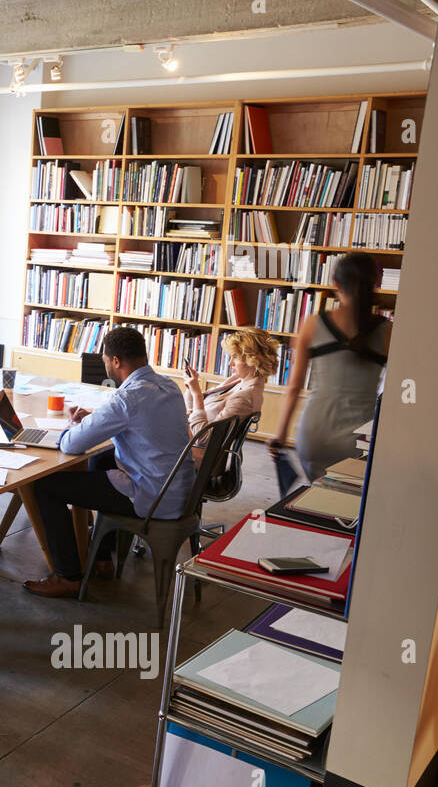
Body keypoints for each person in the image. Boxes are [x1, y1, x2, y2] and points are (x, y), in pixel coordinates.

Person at [23, 327, 193, 598]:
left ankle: (67, 576)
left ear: (116, 361)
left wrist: (73, 425)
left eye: (105, 361)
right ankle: (101, 558)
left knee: (44, 485)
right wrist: (98, 418)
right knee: (102, 459)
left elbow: (70, 445)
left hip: (152, 498)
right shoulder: (168, 386)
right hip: (180, 490)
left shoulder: (127, 399)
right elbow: (139, 421)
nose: (105, 366)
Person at [268, 252, 392, 488]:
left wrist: (280, 434)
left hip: (314, 435)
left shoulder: (313, 324)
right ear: (374, 284)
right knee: (344, 509)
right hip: (357, 441)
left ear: (335, 284)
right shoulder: (387, 331)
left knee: (317, 497)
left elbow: (293, 388)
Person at [182, 327, 277, 459]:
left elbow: (204, 439)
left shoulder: (245, 397)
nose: (230, 363)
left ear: (253, 359)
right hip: (185, 437)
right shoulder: (239, 380)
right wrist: (190, 388)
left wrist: (197, 395)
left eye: (235, 357)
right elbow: (196, 408)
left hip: (193, 455)